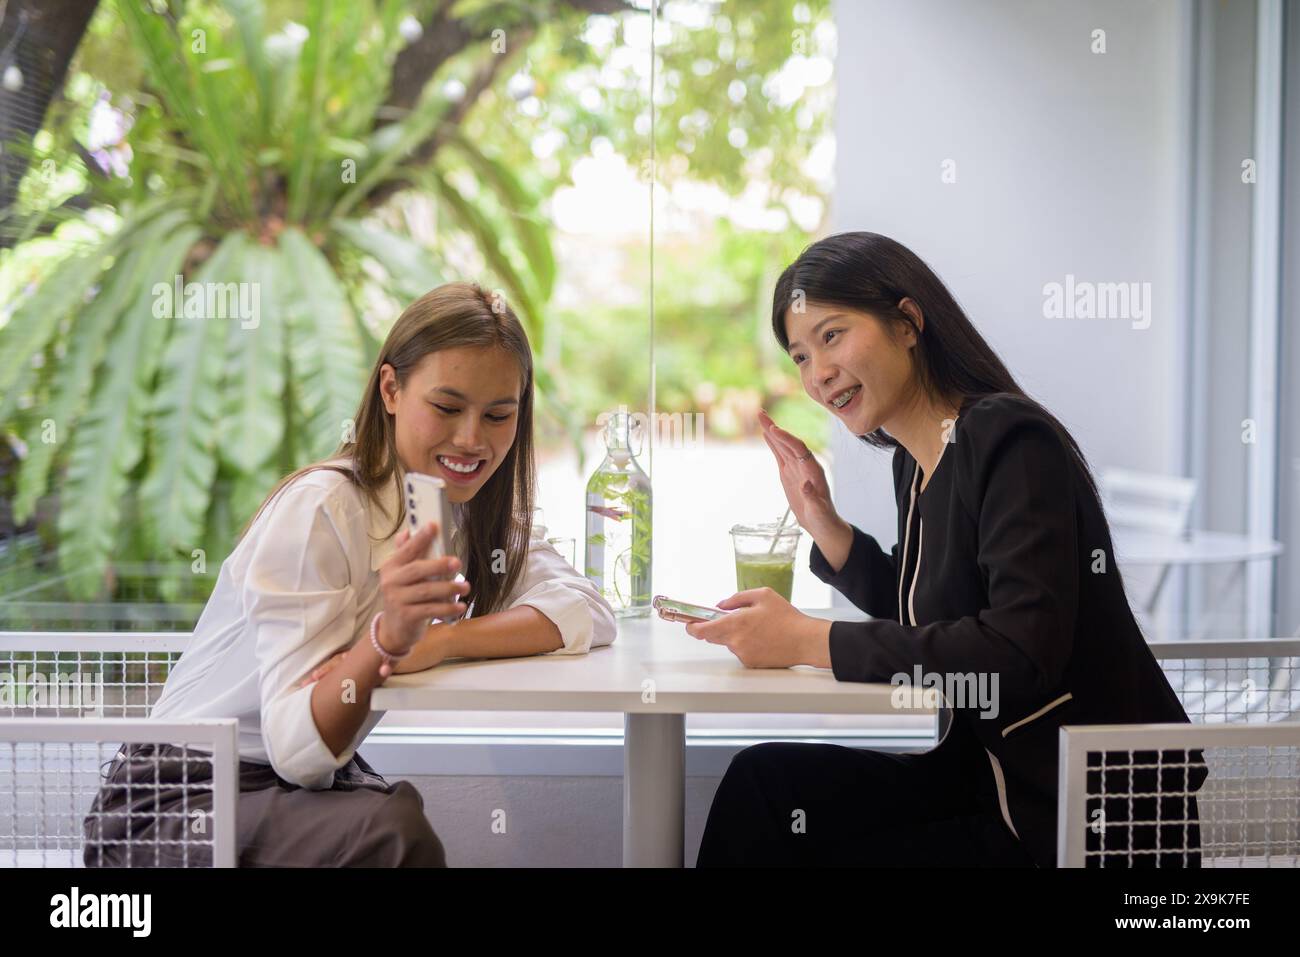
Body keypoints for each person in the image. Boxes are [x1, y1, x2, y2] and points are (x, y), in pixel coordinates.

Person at [691, 232, 1206, 868]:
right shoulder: (918, 464)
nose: (817, 374)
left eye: (831, 336)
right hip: (986, 782)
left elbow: (1017, 655)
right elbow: (930, 619)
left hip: (1071, 820)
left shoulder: (1009, 439)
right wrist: (824, 523)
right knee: (765, 784)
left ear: (907, 323)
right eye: (800, 356)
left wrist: (805, 639)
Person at [83, 282, 616, 867]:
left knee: (391, 827)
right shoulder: (323, 507)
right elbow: (296, 750)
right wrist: (384, 640)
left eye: (498, 415)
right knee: (392, 833)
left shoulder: (465, 517)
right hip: (176, 802)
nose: (471, 438)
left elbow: (585, 610)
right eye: (446, 407)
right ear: (390, 388)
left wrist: (441, 641)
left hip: (287, 790)